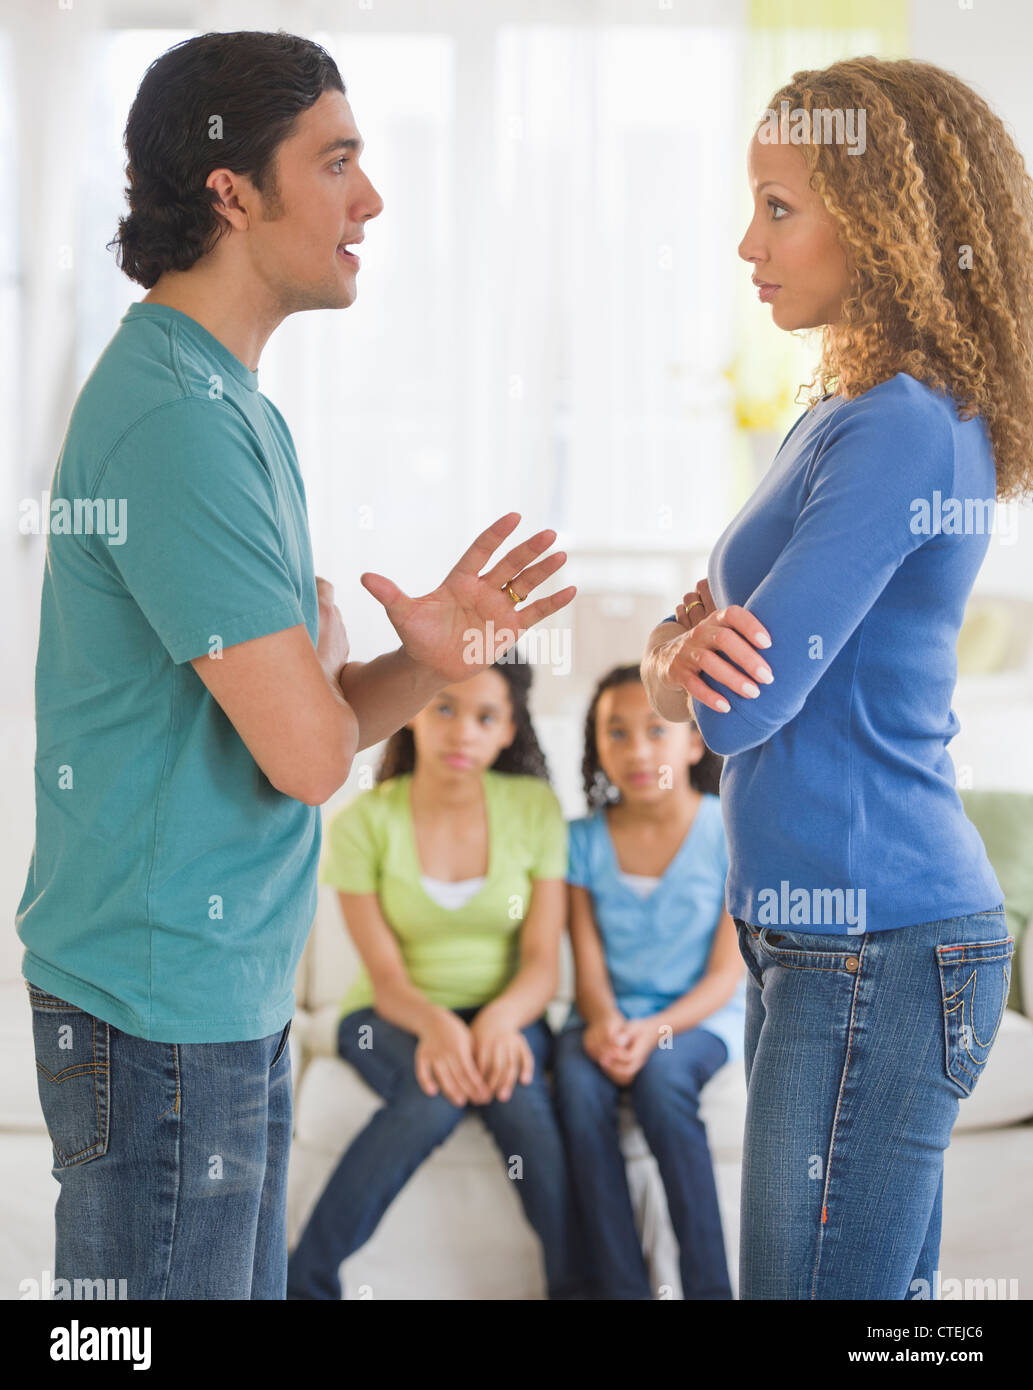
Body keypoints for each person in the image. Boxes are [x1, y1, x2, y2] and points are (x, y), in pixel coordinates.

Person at [16, 30, 573, 1300]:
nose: (367, 198)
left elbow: (302, 728)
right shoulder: (176, 422)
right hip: (161, 1007)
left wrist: (417, 662)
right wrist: (326, 670)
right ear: (231, 189)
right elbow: (312, 752)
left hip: (212, 995)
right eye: (336, 162)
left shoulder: (232, 404)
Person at [641, 57, 1033, 1300]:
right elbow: (701, 652)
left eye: (777, 205)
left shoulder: (904, 422)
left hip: (876, 938)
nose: (745, 241)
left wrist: (678, 666)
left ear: (879, 218)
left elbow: (738, 692)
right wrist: (671, 656)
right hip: (827, 938)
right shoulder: (844, 412)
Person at [286, 660, 591, 1299]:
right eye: (445, 708)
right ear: (415, 712)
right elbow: (387, 977)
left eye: (486, 718)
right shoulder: (364, 823)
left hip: (508, 1008)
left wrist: (499, 1021)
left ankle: (574, 1288)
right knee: (434, 1098)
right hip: (389, 1015)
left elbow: (541, 962)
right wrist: (438, 1028)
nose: (462, 733)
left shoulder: (534, 808)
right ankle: (305, 1282)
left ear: (509, 730)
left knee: (523, 1107)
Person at [552, 665, 746, 1300]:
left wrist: (655, 1030)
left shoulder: (730, 833)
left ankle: (709, 1290)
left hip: (699, 1021)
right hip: (604, 1016)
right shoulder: (580, 841)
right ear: (597, 748)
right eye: (616, 733)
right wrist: (608, 1023)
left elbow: (726, 976)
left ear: (695, 743)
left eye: (656, 731)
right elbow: (587, 968)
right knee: (577, 1091)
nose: (637, 750)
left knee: (663, 1082)